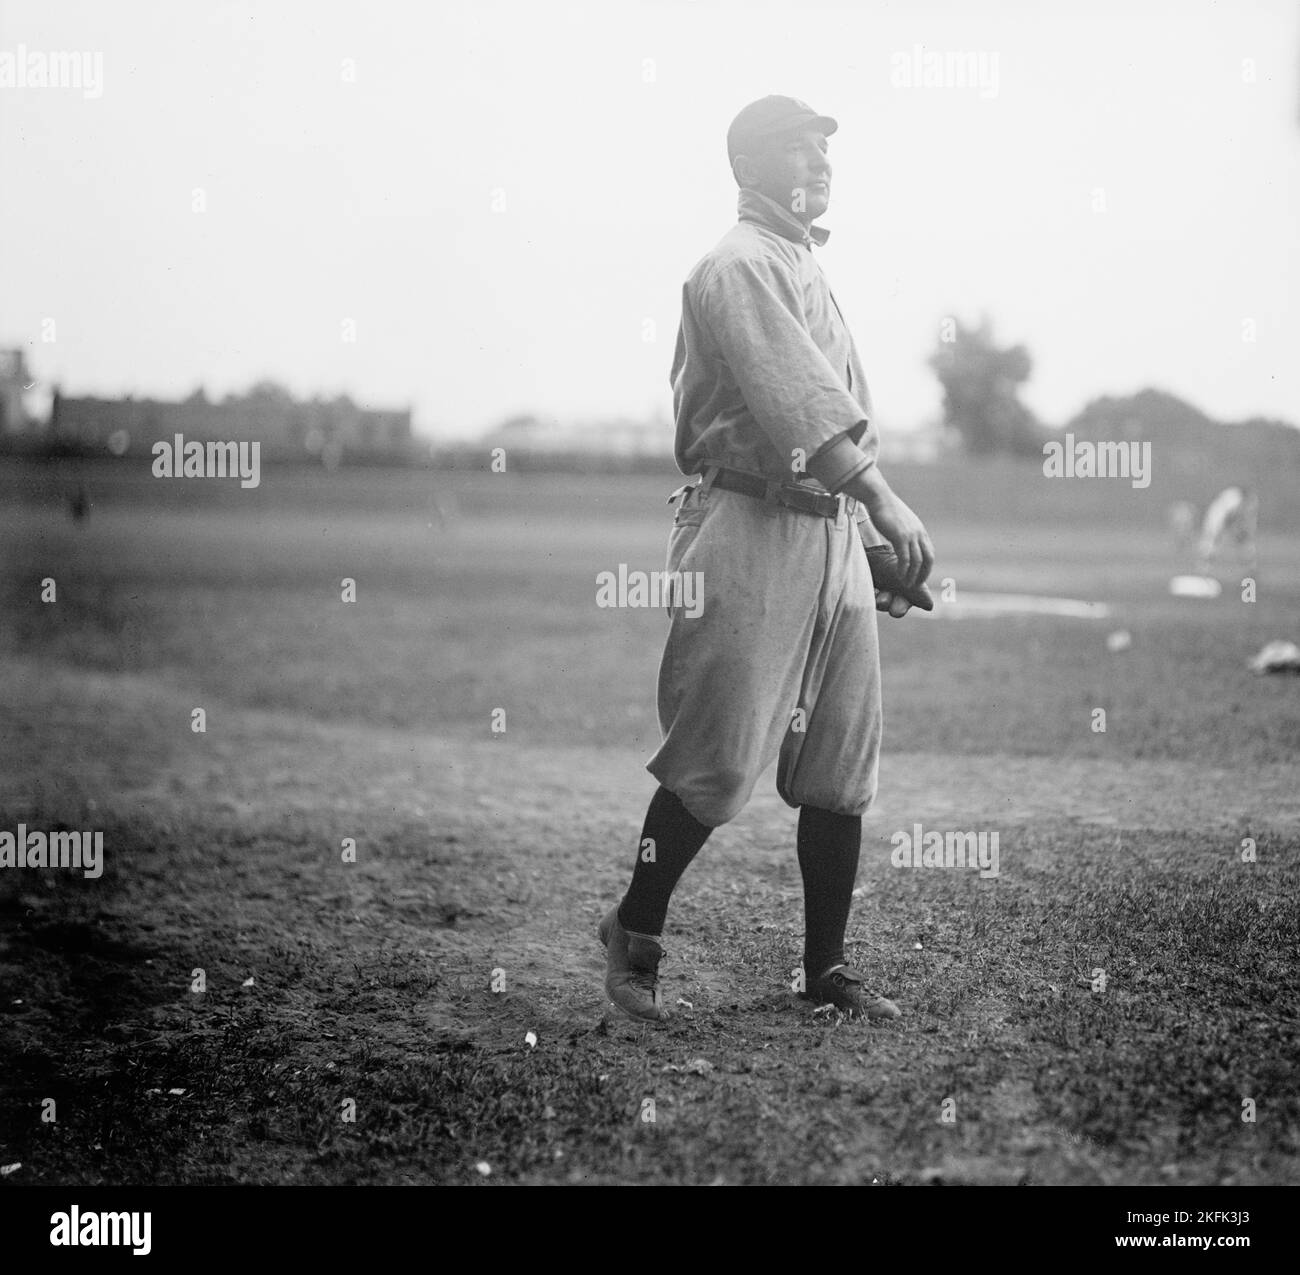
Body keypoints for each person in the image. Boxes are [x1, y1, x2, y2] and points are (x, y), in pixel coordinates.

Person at [598, 96, 934, 1024]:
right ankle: (635, 927)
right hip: (744, 521)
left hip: (826, 532)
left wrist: (865, 537)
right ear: (752, 166)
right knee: (715, 757)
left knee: (840, 761)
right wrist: (882, 497)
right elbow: (795, 404)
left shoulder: (804, 264)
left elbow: (837, 407)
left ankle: (824, 968)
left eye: (827, 147)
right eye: (800, 147)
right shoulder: (738, 263)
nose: (821, 161)